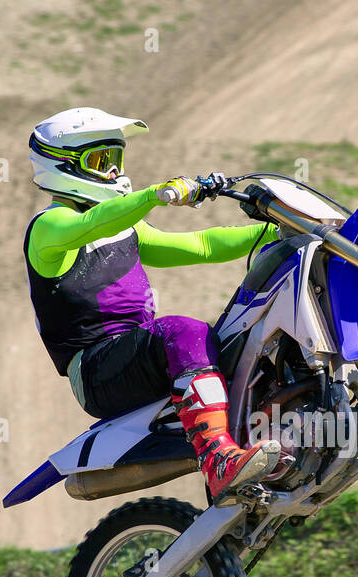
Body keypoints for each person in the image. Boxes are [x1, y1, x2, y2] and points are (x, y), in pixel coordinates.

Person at [24, 107, 280, 500]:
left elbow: (203, 244)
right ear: (63, 166)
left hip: (134, 355)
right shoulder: (49, 226)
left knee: (234, 339)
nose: (112, 172)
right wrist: (155, 195)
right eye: (100, 161)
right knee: (182, 330)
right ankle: (219, 460)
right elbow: (92, 224)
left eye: (116, 159)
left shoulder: (123, 224)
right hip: (96, 370)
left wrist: (275, 231)